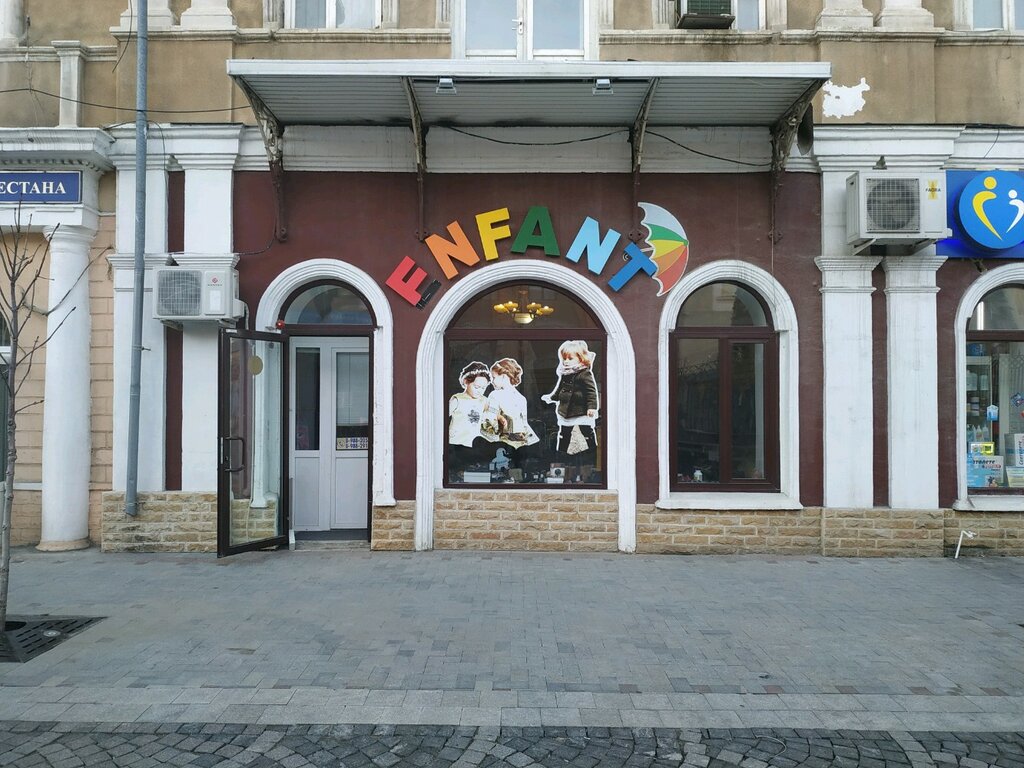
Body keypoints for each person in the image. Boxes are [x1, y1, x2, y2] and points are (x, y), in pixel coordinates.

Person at [541, 340, 599, 454]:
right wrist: (552, 397)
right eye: (564, 359)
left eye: (570, 359)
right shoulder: (565, 373)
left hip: (581, 410)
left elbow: (591, 391)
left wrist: (591, 407)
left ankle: (593, 451)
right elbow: (560, 389)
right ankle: (562, 452)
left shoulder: (584, 373)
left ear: (581, 358)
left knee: (586, 430)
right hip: (565, 410)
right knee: (564, 433)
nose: (566, 362)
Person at [481, 357, 539, 449]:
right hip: (520, 443)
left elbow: (491, 420)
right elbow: (524, 424)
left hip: (502, 443)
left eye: (494, 377)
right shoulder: (522, 398)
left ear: (504, 376)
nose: (492, 381)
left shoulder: (495, 395)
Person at [448, 361, 491, 447]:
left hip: (474, 444)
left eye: (483, 388)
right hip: (457, 442)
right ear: (466, 382)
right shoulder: (458, 399)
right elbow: (442, 419)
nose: (480, 391)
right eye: (476, 387)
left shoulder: (484, 400)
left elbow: (493, 413)